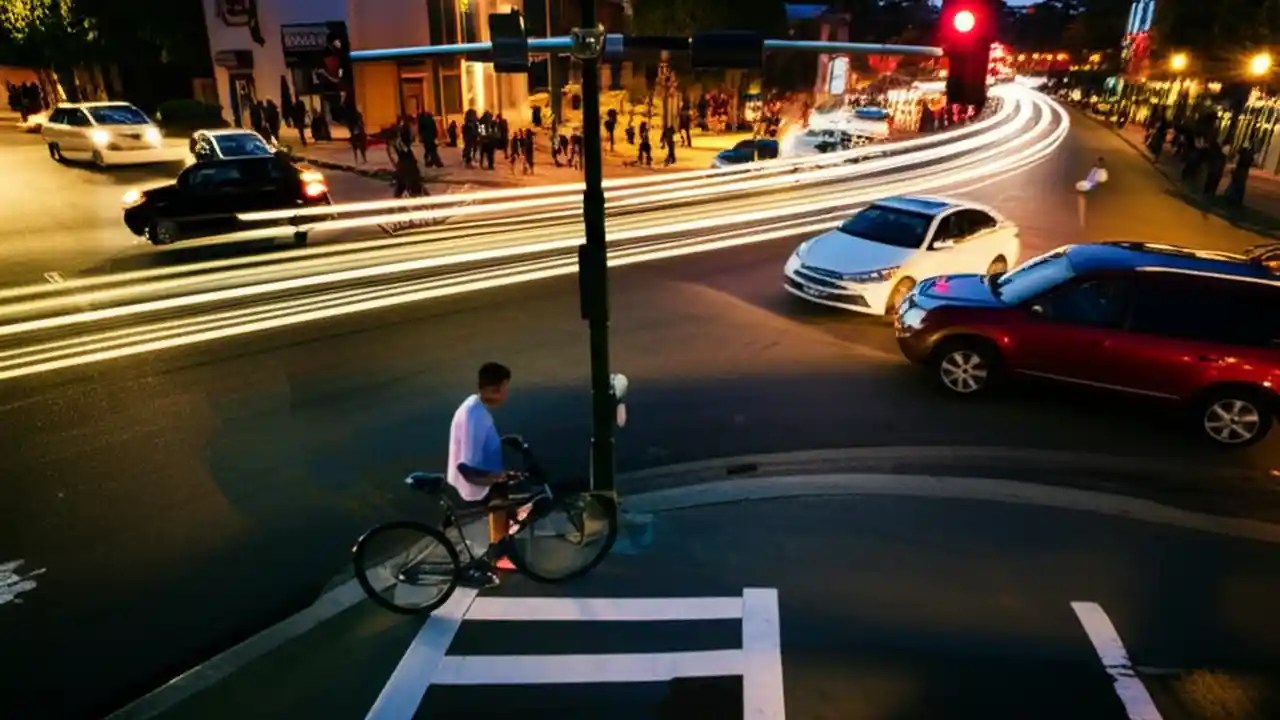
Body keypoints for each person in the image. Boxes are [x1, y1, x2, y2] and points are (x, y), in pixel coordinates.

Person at [447, 362, 522, 587]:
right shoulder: (476, 417)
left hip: (481, 476)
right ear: (498, 388)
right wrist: (494, 478)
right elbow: (467, 466)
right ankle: (499, 554)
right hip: (475, 482)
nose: (507, 393)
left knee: (504, 502)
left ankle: (499, 549)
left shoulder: (474, 405)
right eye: (506, 387)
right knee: (503, 501)